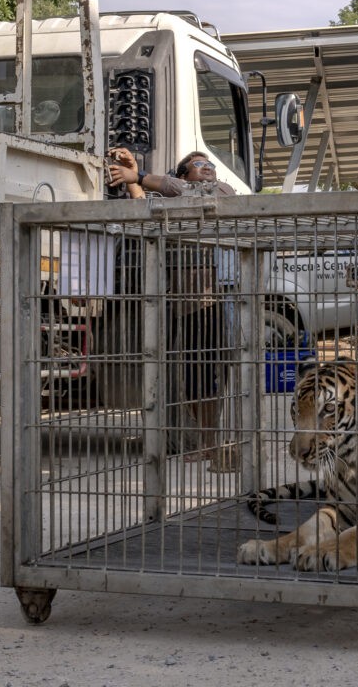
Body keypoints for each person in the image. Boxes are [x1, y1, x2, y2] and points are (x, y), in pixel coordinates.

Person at [107, 148, 239, 472]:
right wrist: (133, 174)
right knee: (192, 380)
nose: (207, 168)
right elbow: (142, 206)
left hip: (212, 300)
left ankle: (212, 443)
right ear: (182, 174)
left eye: (210, 164)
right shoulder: (172, 202)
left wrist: (139, 175)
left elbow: (185, 190)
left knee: (210, 376)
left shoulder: (220, 192)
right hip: (182, 303)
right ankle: (205, 442)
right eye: (198, 164)